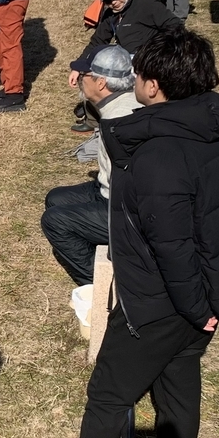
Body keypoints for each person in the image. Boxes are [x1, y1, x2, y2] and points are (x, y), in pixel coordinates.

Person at [12, 29, 219, 438]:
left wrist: (196, 308)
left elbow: (172, 248)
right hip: (203, 294)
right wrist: (216, 296)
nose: (135, 81)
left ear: (155, 87)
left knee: (109, 391)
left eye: (140, 74)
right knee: (177, 386)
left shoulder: (160, 156)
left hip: (165, 301)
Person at [41, 45, 142, 298]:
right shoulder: (120, 103)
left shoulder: (120, 121)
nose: (79, 81)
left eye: (85, 76)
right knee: (55, 198)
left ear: (100, 83)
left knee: (54, 221)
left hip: (127, 208)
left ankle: (100, 286)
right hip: (106, 188)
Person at [67, 0, 180, 132]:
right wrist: (77, 68)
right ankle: (93, 120)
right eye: (107, 0)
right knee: (88, 73)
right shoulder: (109, 14)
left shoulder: (147, 5)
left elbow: (175, 26)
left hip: (147, 62)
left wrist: (155, 52)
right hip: (124, 61)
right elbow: (97, 41)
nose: (113, 2)